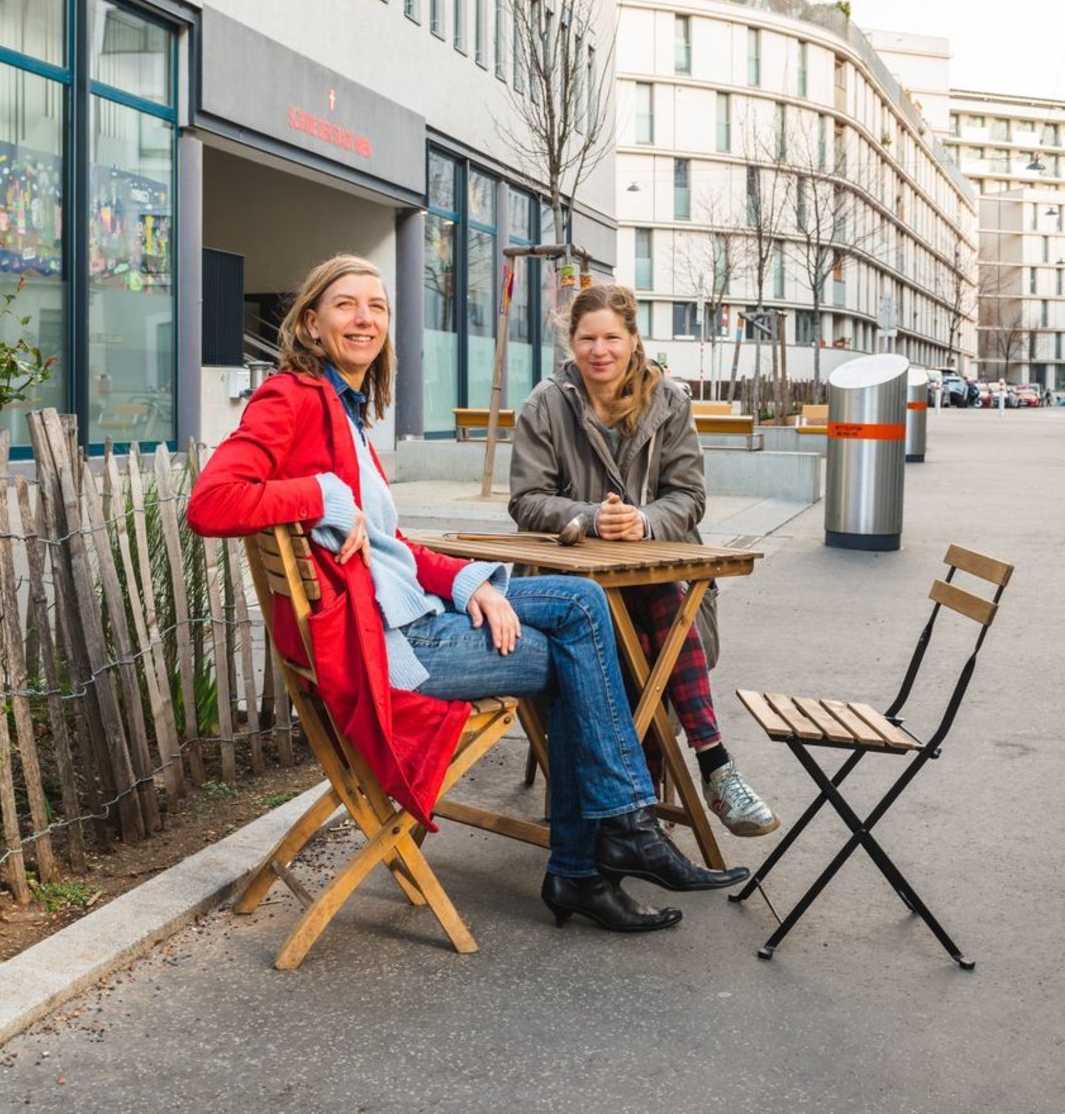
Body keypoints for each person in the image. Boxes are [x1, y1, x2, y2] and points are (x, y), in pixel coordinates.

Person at [186, 255, 746, 935]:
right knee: (580, 645)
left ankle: (604, 844)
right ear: (309, 322)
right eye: (345, 305)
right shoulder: (294, 399)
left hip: (402, 613)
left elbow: (387, 546)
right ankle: (608, 839)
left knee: (579, 606)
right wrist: (322, 494)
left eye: (377, 306)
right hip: (392, 646)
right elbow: (211, 501)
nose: (364, 318)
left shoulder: (343, 409)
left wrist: (466, 581)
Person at [508, 284, 780, 839]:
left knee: (656, 611)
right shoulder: (545, 404)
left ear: (634, 340)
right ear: (571, 341)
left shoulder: (669, 401)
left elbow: (689, 495)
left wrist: (644, 521)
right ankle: (707, 769)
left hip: (660, 581)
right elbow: (525, 500)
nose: (599, 350)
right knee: (641, 632)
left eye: (612, 337)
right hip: (566, 584)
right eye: (588, 338)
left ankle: (639, 814)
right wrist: (589, 516)